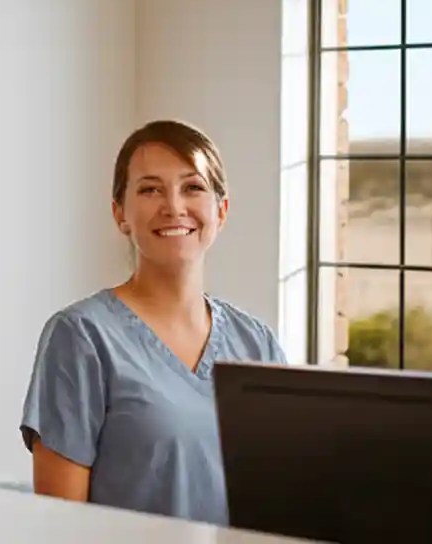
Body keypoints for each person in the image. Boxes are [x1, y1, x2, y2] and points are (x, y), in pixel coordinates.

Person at [19, 119, 287, 526]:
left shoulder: (258, 343)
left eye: (193, 187)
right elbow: (61, 526)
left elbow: (282, 498)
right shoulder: (81, 337)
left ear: (221, 210)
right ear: (120, 214)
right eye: (150, 189)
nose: (174, 207)